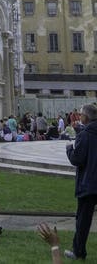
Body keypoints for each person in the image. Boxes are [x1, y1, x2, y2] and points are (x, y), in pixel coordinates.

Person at [64, 102, 97, 260]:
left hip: (88, 184)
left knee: (83, 219)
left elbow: (78, 159)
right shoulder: (86, 133)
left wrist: (70, 149)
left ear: (85, 117)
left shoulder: (85, 135)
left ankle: (78, 251)